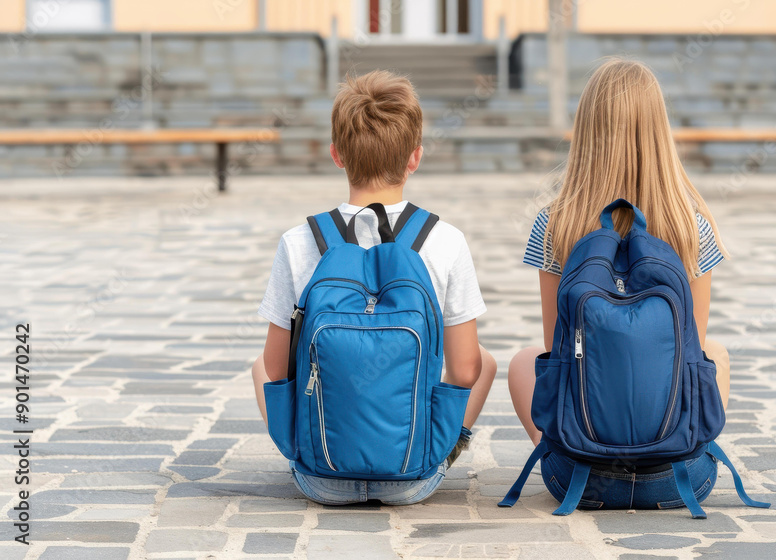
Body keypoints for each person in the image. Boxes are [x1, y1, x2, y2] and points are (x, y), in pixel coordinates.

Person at [251, 70, 496, 505]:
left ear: (336, 154)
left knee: (258, 364)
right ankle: (436, 455)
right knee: (485, 361)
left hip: (320, 480)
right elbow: (464, 372)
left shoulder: (299, 241)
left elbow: (273, 371)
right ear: (415, 157)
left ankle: (306, 456)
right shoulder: (445, 240)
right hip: (412, 479)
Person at [508, 58, 731, 509]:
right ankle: (680, 451)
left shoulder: (555, 225)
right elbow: (693, 350)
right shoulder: (692, 227)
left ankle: (569, 449)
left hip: (577, 478)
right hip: (678, 478)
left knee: (525, 359)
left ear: (587, 131)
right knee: (717, 353)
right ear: (659, 132)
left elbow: (557, 349)